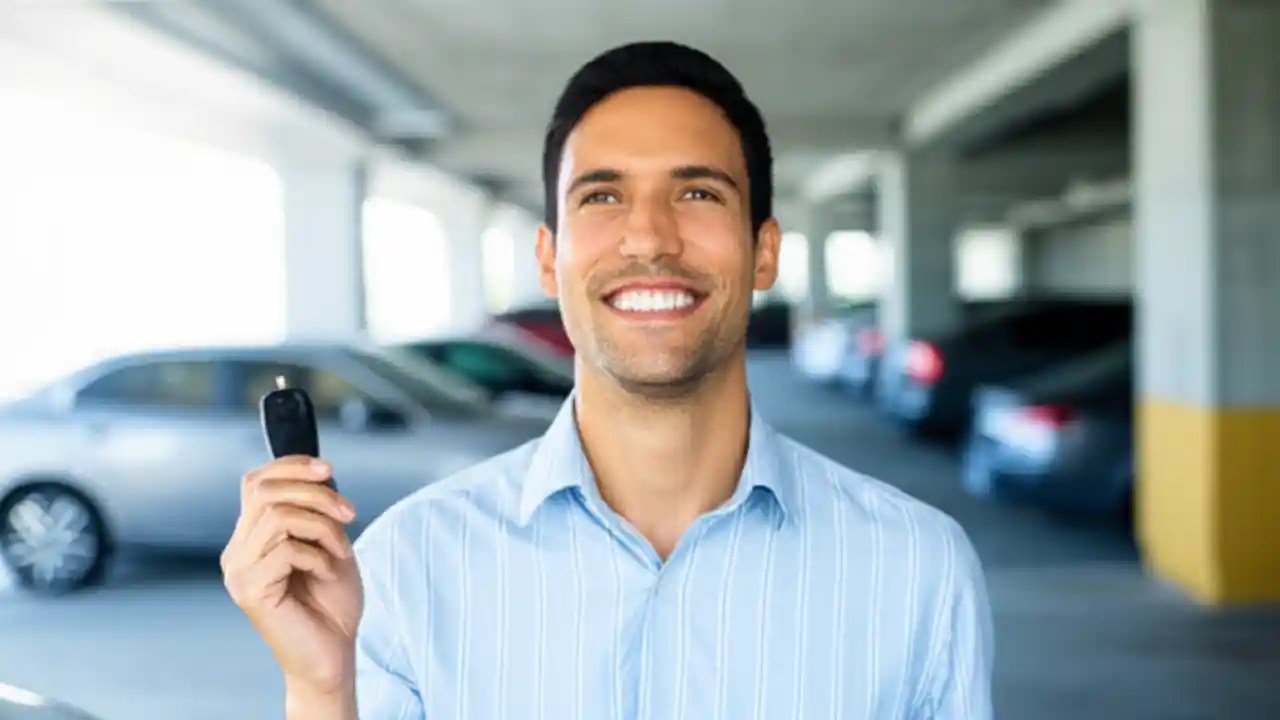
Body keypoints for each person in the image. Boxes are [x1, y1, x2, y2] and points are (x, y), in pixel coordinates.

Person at [221, 41, 994, 719]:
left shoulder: (918, 568)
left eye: (697, 193)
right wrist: (321, 692)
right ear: (549, 257)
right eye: (603, 196)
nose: (649, 237)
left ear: (764, 252)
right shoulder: (406, 566)